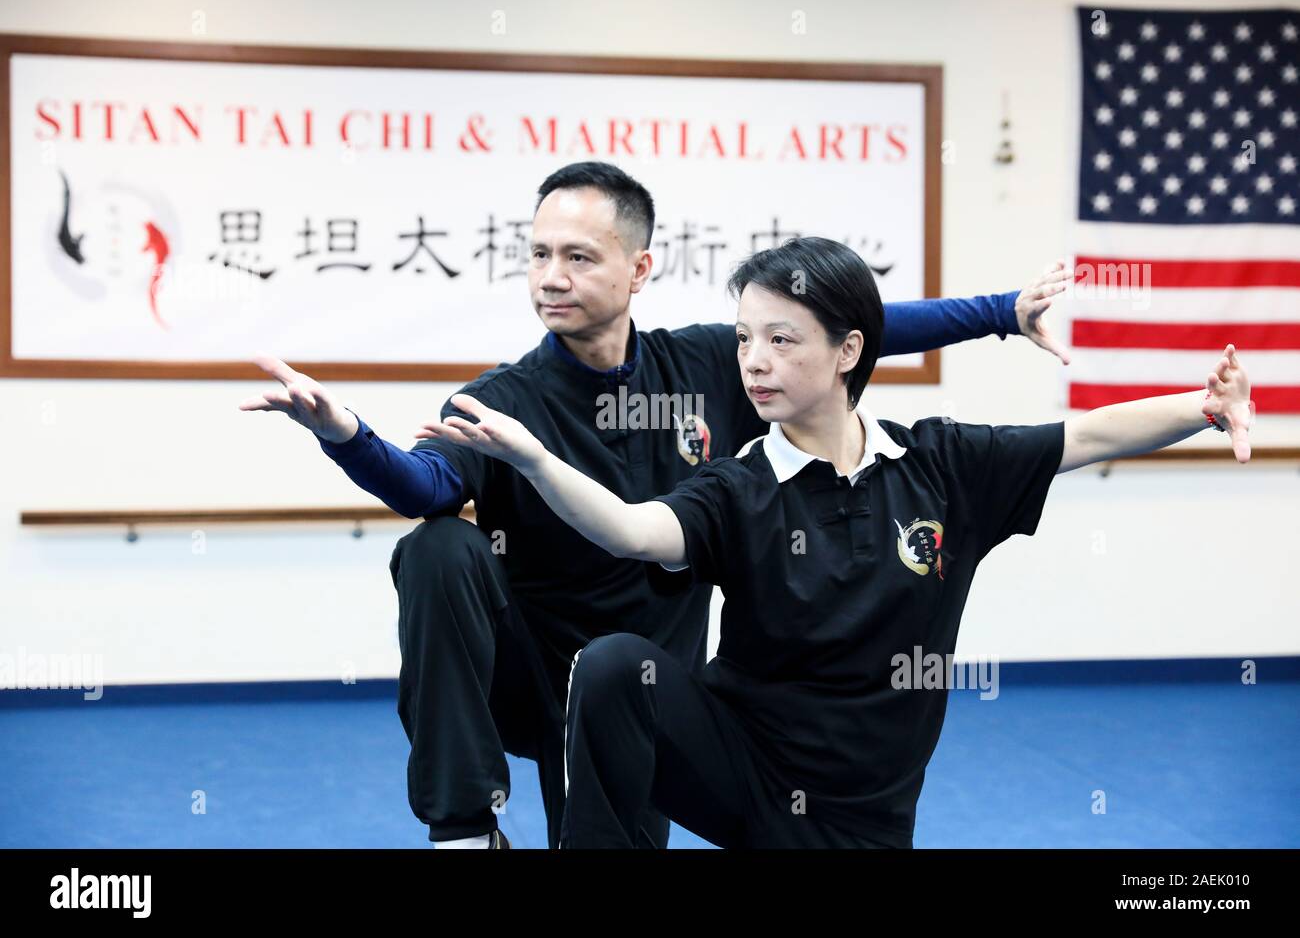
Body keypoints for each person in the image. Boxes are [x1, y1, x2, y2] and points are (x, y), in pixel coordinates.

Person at [239, 161, 1072, 849]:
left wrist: (1000, 313)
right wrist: (346, 434)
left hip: (633, 683)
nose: (551, 278)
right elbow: (424, 485)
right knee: (437, 546)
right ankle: (463, 829)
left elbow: (839, 327)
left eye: (578, 257)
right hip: (526, 679)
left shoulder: (713, 366)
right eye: (537, 256)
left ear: (640, 269)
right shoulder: (504, 398)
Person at [414, 235, 1254, 849]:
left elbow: (1088, 436)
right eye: (744, 339)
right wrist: (529, 455)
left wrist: (1204, 407)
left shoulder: (942, 463)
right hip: (744, 777)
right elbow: (633, 531)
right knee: (611, 667)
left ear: (849, 349)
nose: (754, 362)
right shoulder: (737, 486)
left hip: (868, 816)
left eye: (782, 340)